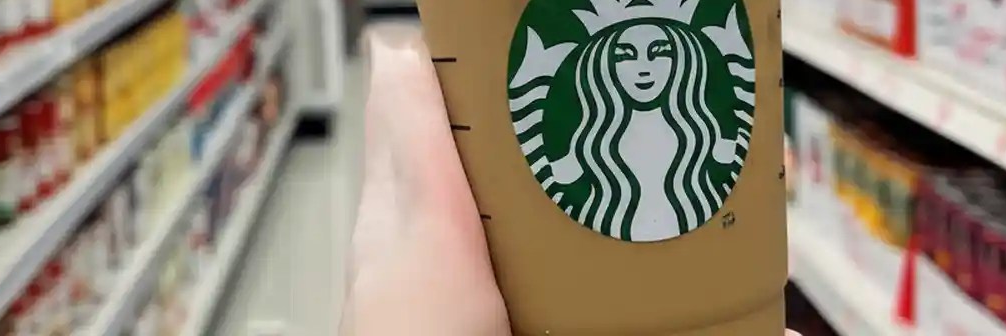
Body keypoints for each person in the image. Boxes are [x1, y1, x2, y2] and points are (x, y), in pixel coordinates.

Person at [340, 25, 801, 335]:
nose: (643, 68)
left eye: (660, 52)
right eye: (625, 53)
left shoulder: (707, 146)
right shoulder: (579, 156)